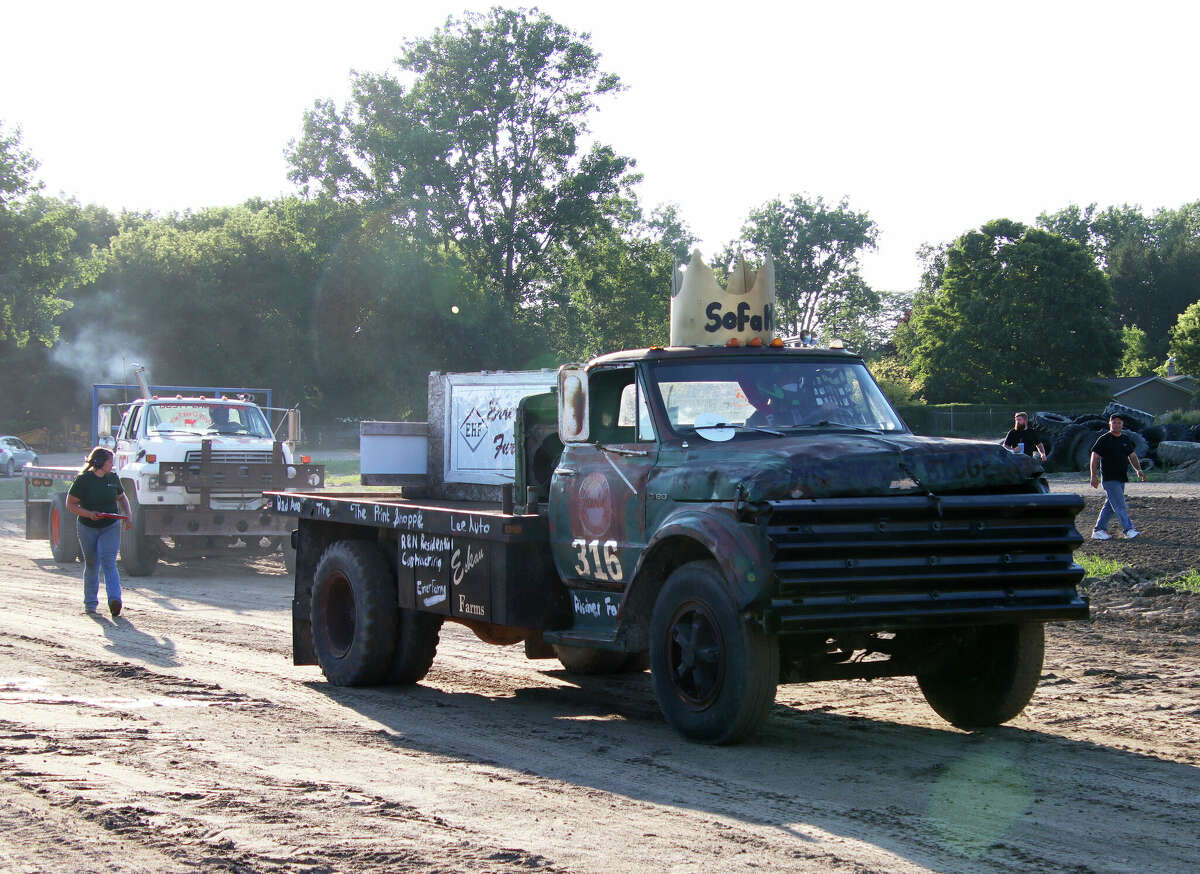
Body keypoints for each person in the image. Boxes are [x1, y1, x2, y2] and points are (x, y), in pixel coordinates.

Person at [66, 447, 132, 616]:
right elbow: (71, 504)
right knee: (92, 563)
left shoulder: (112, 478)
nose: (112, 465)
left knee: (109, 561)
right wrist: (89, 514)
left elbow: (122, 497)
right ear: (100, 462)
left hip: (110, 525)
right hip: (87, 527)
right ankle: (90, 604)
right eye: (110, 462)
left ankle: (115, 600)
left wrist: (128, 515)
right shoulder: (83, 480)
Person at [1089, 413, 1145, 540]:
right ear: (1110, 424)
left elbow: (1132, 456)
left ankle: (1098, 530)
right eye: (1114, 422)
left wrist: (1138, 469)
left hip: (1121, 478)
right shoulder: (1104, 439)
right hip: (1109, 478)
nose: (1117, 425)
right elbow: (1094, 457)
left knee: (1110, 505)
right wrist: (1093, 475)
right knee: (1120, 505)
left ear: (1122, 425)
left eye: (1119, 423)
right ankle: (1129, 530)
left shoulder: (1125, 439)